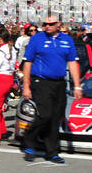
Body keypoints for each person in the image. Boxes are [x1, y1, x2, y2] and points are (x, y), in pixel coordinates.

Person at [21, 15, 81, 164]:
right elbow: (27, 62)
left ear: (58, 24)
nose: (47, 26)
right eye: (45, 24)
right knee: (45, 115)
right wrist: (26, 86)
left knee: (55, 118)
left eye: (51, 24)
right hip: (41, 81)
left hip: (59, 83)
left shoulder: (67, 40)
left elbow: (72, 62)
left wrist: (77, 85)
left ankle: (52, 151)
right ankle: (29, 138)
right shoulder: (37, 39)